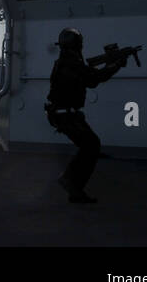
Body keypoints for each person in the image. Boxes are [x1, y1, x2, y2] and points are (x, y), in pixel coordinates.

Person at [45, 28, 124, 203]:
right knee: (91, 146)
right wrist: (115, 65)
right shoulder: (71, 64)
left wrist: (111, 65)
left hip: (65, 114)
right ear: (77, 45)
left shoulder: (67, 62)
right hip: (65, 115)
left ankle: (75, 189)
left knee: (90, 146)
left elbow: (90, 76)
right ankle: (70, 181)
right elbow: (94, 79)